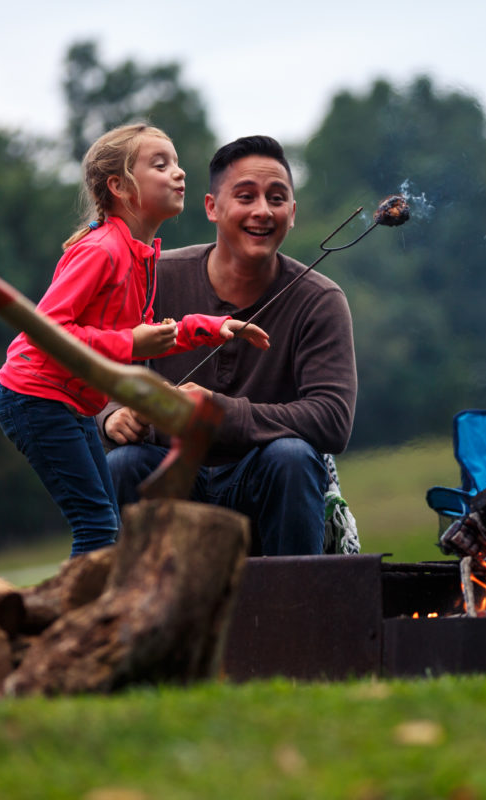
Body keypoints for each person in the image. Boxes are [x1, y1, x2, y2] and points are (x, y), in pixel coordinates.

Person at [0, 123, 270, 557]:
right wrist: (130, 345)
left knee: (109, 526)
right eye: (161, 165)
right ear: (120, 186)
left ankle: (92, 619)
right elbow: (46, 332)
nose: (179, 173)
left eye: (177, 163)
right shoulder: (100, 250)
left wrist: (213, 328)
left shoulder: (139, 254)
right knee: (98, 526)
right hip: (35, 398)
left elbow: (148, 334)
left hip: (68, 403)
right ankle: (78, 624)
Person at [100, 135, 357, 556]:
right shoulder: (154, 277)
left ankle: (295, 613)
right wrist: (110, 415)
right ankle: (140, 615)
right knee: (123, 464)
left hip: (266, 479)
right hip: (173, 476)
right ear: (212, 208)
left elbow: (331, 420)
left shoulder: (320, 300)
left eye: (277, 198)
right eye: (245, 196)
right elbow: (94, 361)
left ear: (292, 214)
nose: (262, 211)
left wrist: (218, 413)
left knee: (292, 457)